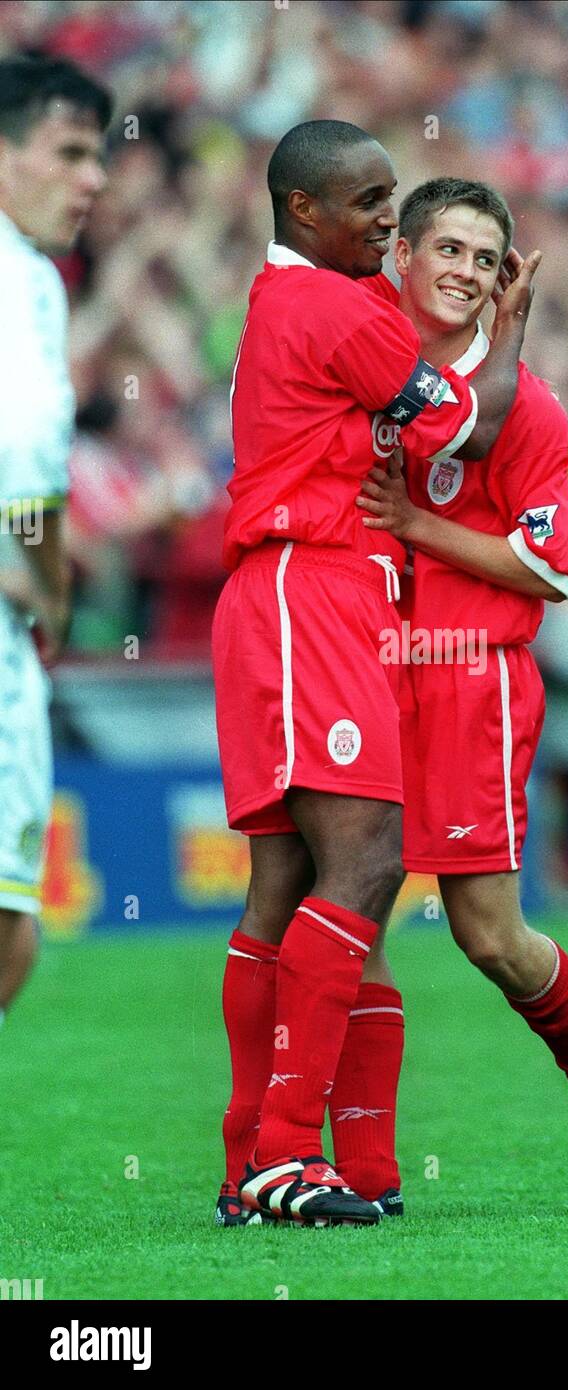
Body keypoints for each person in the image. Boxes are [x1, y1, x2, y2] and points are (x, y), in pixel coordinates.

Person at [213, 122, 540, 1227]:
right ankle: (283, 1153)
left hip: (283, 597)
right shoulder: (336, 308)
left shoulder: (282, 299)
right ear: (304, 210)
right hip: (314, 591)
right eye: (370, 204)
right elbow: (472, 429)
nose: (385, 222)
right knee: (362, 863)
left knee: (286, 883)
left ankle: (250, 1159)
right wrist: (507, 333)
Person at [355, 178, 568, 1203]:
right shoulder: (354, 367)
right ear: (398, 252)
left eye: (485, 261)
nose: (464, 272)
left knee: (486, 933)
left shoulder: (526, 403)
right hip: (355, 665)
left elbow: (550, 567)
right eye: (448, 248)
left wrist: (420, 526)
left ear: (500, 287)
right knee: (341, 911)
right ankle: (360, 1166)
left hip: (469, 678)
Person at [0, 55, 111, 1028]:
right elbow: (28, 464)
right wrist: (47, 588)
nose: (94, 177)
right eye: (70, 152)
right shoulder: (22, 279)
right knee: (11, 926)